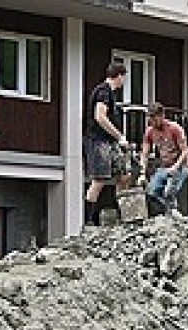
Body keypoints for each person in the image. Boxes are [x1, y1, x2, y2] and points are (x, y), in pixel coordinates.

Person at [84, 62, 130, 227]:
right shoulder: (103, 91)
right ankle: (88, 220)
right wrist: (119, 136)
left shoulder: (110, 93)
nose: (124, 82)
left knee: (124, 174)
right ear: (119, 76)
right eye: (124, 78)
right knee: (99, 179)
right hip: (99, 141)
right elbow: (100, 117)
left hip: (110, 142)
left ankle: (122, 214)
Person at [137, 102, 188, 215]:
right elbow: (144, 154)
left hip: (180, 166)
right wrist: (142, 173)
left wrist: (176, 167)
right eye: (150, 119)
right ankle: (169, 211)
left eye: (155, 119)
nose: (153, 122)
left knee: (168, 192)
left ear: (162, 116)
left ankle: (172, 213)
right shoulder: (150, 131)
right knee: (151, 191)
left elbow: (185, 151)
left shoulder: (175, 129)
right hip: (164, 167)